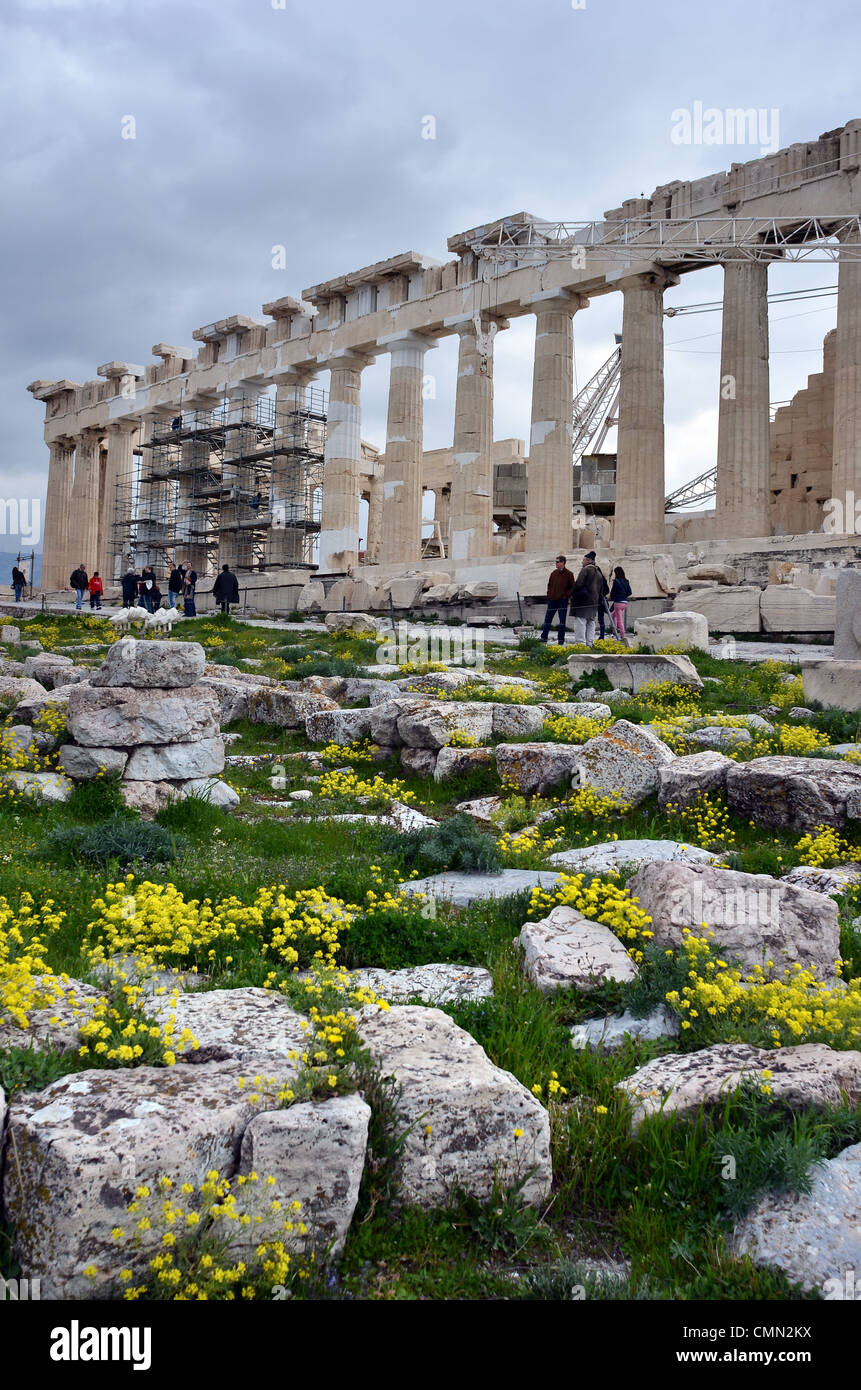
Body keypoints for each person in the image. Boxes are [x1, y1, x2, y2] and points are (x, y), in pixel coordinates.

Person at [569, 551, 604, 646]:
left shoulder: (586, 570)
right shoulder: (599, 573)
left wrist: (571, 593)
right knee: (590, 622)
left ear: (588, 561)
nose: (582, 562)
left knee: (580, 621)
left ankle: (580, 644)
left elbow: (579, 584)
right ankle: (590, 643)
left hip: (583, 601)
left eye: (583, 560)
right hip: (594, 602)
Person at [539, 555, 575, 645]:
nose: (556, 563)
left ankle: (561, 640)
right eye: (556, 562)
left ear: (563, 562)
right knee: (547, 620)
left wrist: (565, 596)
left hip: (562, 601)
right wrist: (549, 595)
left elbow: (572, 587)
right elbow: (549, 585)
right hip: (552, 600)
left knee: (562, 621)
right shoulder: (553, 573)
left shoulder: (569, 574)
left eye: (558, 562)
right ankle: (544, 637)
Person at [609, 565, 633, 641]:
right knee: (613, 615)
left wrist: (612, 597)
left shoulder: (616, 581)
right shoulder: (626, 581)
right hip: (624, 602)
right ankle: (614, 632)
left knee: (619, 619)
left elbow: (613, 592)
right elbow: (630, 592)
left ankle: (623, 635)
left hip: (618, 602)